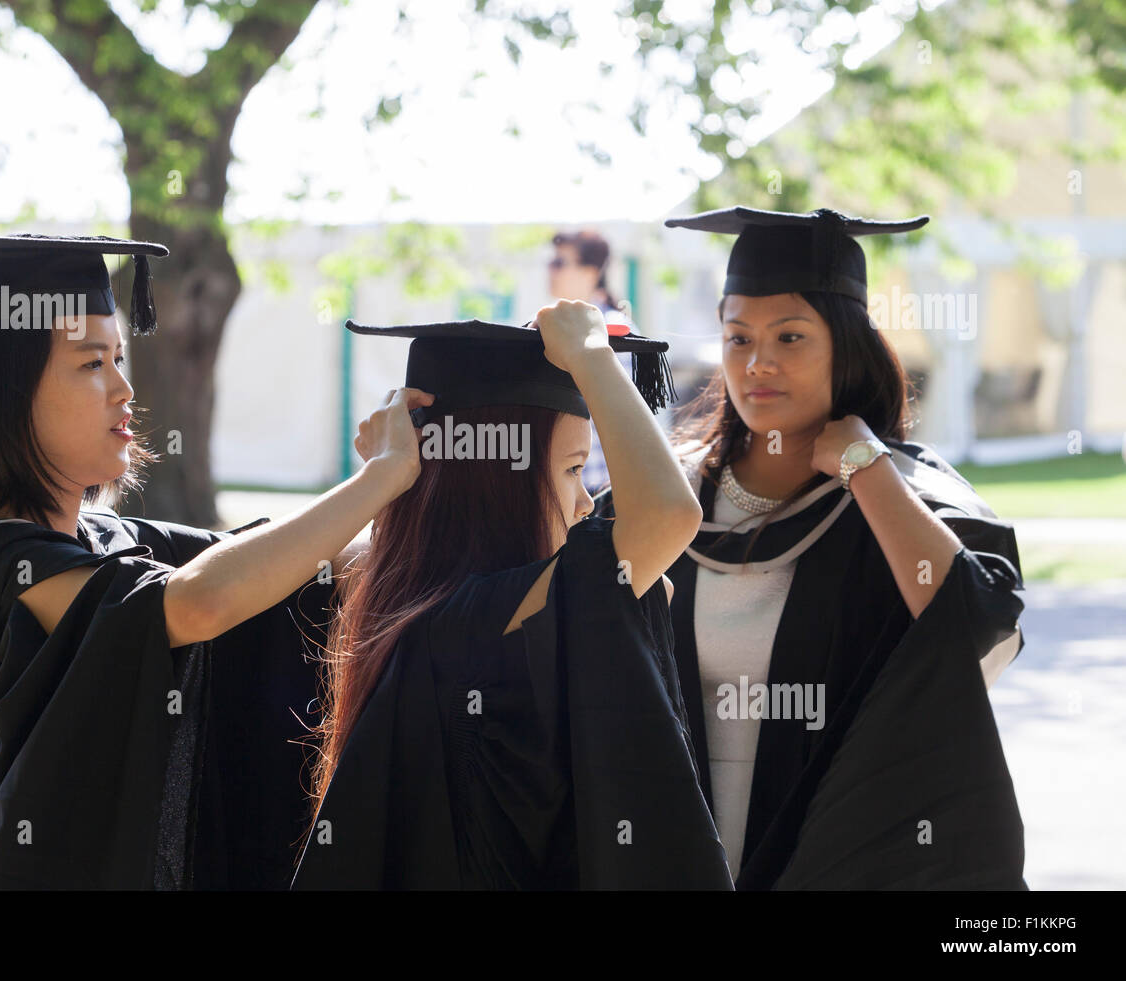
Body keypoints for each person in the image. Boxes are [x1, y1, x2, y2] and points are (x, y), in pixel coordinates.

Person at [0, 226, 429, 889]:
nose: (123, 391)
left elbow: (274, 566)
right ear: (4, 394)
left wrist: (432, 514)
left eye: (119, 359)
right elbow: (200, 600)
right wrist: (379, 479)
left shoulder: (108, 543)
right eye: (90, 363)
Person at [596, 207, 1027, 888]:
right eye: (738, 338)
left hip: (839, 860)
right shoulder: (668, 498)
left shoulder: (905, 493)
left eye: (790, 337)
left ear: (846, 346)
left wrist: (865, 464)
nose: (758, 362)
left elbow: (972, 626)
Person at [291, 307, 731, 890]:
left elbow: (649, 583)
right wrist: (591, 356)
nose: (586, 502)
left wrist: (390, 470)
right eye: (575, 469)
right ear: (500, 482)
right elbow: (670, 516)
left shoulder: (394, 594)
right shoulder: (487, 615)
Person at [549, 230, 633, 494]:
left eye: (560, 263)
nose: (550, 270)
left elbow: (622, 420)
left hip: (601, 490)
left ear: (590, 272)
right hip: (560, 487)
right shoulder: (552, 323)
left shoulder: (613, 329)